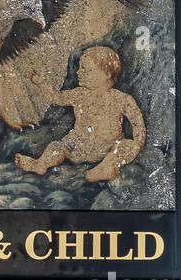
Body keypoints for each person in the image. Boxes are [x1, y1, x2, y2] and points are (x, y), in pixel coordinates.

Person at [14, 46, 146, 184]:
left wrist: (138, 142)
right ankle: (40, 164)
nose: (78, 72)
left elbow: (137, 122)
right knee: (57, 147)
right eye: (80, 68)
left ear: (106, 74)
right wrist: (42, 84)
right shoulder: (79, 94)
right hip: (78, 146)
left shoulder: (122, 99)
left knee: (126, 146)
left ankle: (103, 169)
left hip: (108, 148)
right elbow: (57, 98)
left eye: (86, 69)